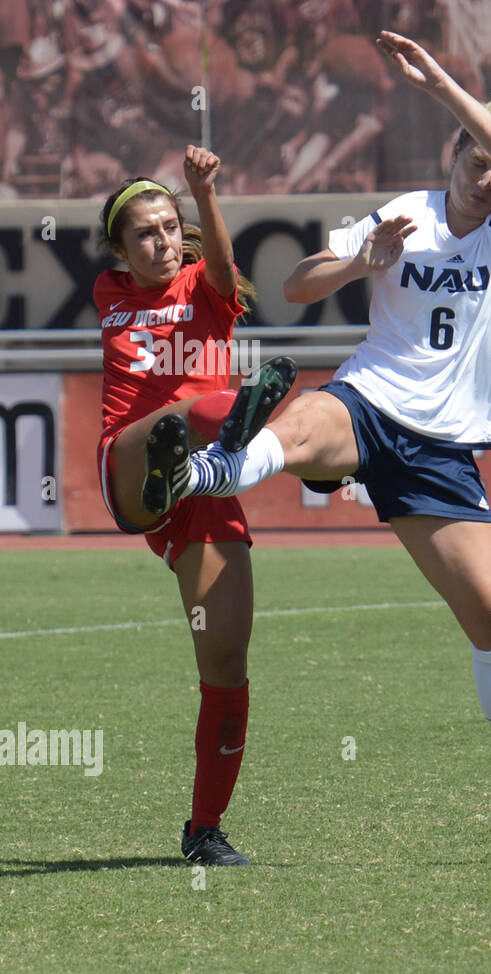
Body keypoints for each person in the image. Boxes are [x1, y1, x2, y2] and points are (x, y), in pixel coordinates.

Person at [154, 31, 491, 858]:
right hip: (371, 402)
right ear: (451, 154)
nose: (484, 171)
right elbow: (294, 285)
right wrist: (362, 258)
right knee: (297, 426)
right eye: (470, 157)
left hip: (441, 453)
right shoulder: (404, 214)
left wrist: (438, 80)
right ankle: (213, 468)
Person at [96, 145, 296, 866]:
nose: (161, 240)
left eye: (170, 225)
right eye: (144, 232)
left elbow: (217, 269)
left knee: (226, 661)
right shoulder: (110, 293)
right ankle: (236, 432)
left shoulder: (209, 286)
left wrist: (204, 193)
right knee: (189, 416)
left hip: (205, 488)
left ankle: (203, 829)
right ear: (118, 250)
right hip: (129, 455)